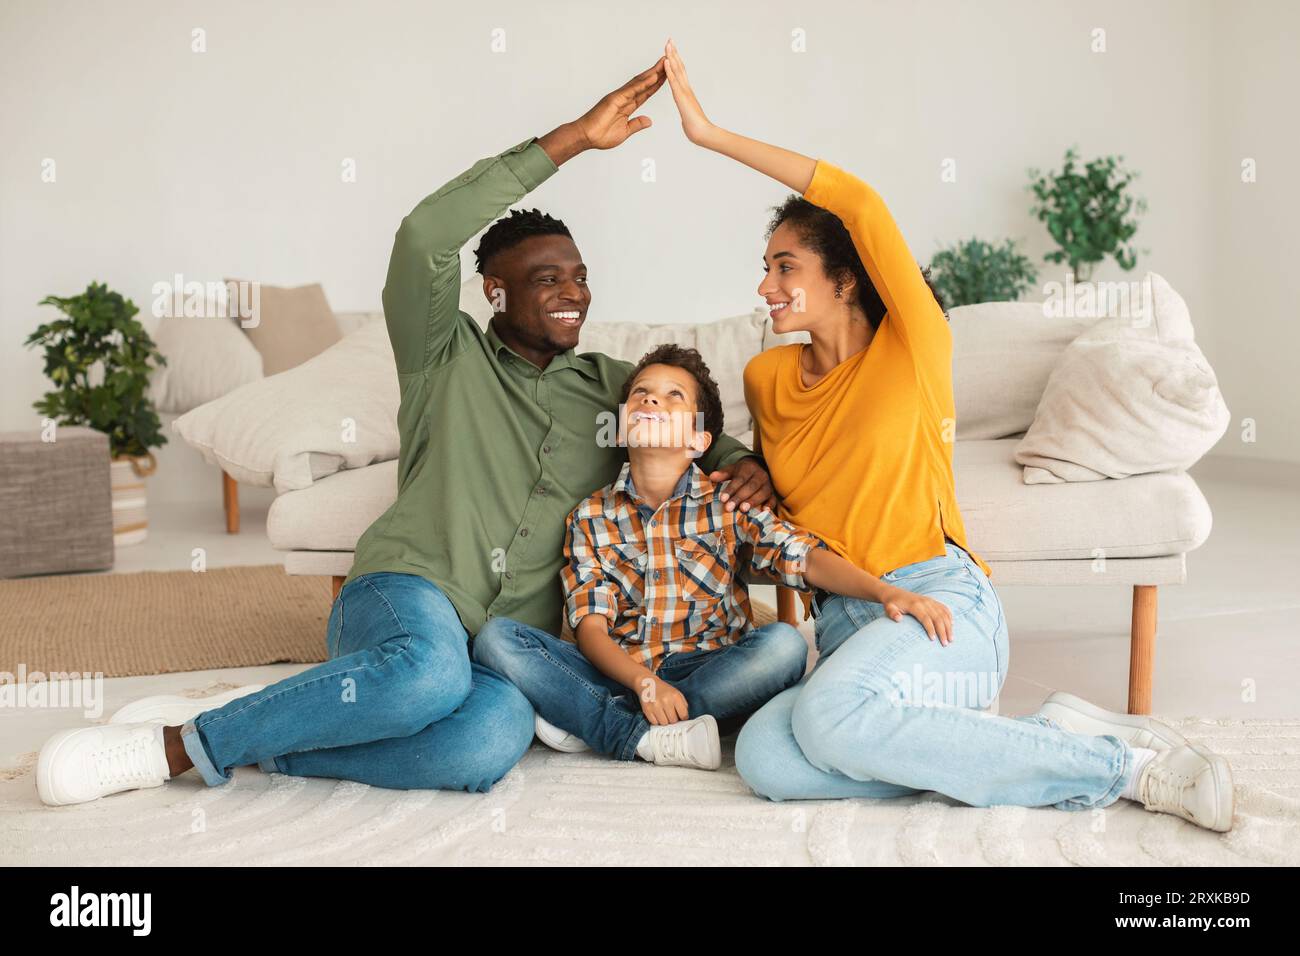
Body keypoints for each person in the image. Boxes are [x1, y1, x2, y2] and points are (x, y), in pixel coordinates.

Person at [36, 58, 777, 807]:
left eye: (579, 276)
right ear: (495, 291)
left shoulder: (611, 385)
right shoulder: (442, 356)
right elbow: (424, 234)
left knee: (486, 744)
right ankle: (175, 748)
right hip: (407, 592)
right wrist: (576, 139)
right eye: (548, 278)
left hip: (506, 643)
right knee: (428, 673)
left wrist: (742, 461)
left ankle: (262, 742)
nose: (573, 292)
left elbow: (691, 422)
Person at [658, 38, 1234, 831]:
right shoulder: (766, 380)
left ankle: (1125, 769)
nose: (766, 286)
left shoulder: (914, 348)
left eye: (787, 267)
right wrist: (745, 462)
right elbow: (779, 470)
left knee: (827, 728)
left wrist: (711, 136)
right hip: (849, 622)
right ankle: (1037, 739)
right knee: (765, 760)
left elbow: (858, 201)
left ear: (846, 277)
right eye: (765, 267)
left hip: (940, 604)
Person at [474, 343, 961, 770]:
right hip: (618, 670)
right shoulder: (590, 515)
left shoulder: (726, 505)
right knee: (498, 638)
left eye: (673, 397)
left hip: (705, 671)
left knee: (786, 648)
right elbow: (591, 629)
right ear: (621, 426)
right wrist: (644, 683)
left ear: (698, 441)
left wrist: (887, 591)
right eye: (642, 392)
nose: (651, 399)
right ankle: (641, 732)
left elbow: (803, 558)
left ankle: (593, 718)